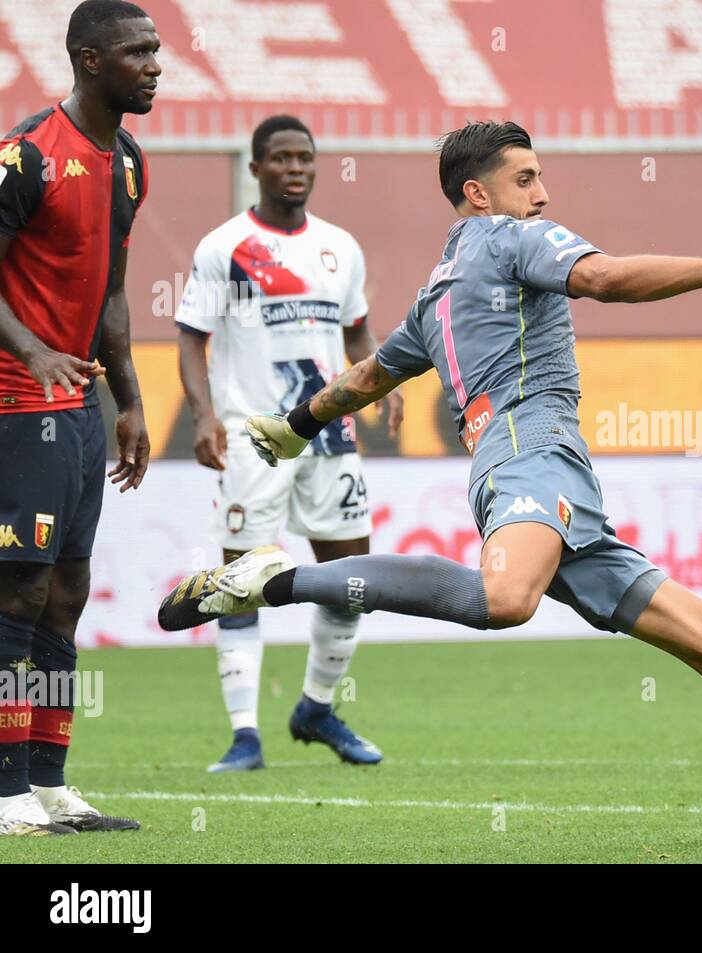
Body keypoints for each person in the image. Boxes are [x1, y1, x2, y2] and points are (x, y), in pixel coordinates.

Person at [160, 121, 702, 856]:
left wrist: (296, 424)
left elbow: (367, 376)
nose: (542, 194)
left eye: (540, 179)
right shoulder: (515, 237)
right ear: (479, 194)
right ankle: (281, 577)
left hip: (552, 484)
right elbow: (601, 278)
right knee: (507, 600)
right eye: (525, 178)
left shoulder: (435, 295)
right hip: (530, 451)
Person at [176, 115, 402, 772]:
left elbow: (356, 332)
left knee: (351, 580)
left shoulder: (341, 247)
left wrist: (383, 380)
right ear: (257, 168)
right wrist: (203, 414)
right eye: (281, 157)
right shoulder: (225, 247)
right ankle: (245, 734)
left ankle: (316, 707)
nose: (295, 167)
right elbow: (192, 336)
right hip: (253, 438)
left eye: (305, 156)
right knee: (241, 582)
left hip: (331, 434)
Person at [0, 0, 159, 836]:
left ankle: (49, 781)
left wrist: (127, 400)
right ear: (91, 61)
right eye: (138, 52)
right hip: (18, 403)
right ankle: (1, 793)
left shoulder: (127, 160)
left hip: (80, 403)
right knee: (17, 590)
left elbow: (115, 292)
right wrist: (32, 352)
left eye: (157, 49)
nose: (156, 64)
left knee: (65, 593)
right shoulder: (27, 154)